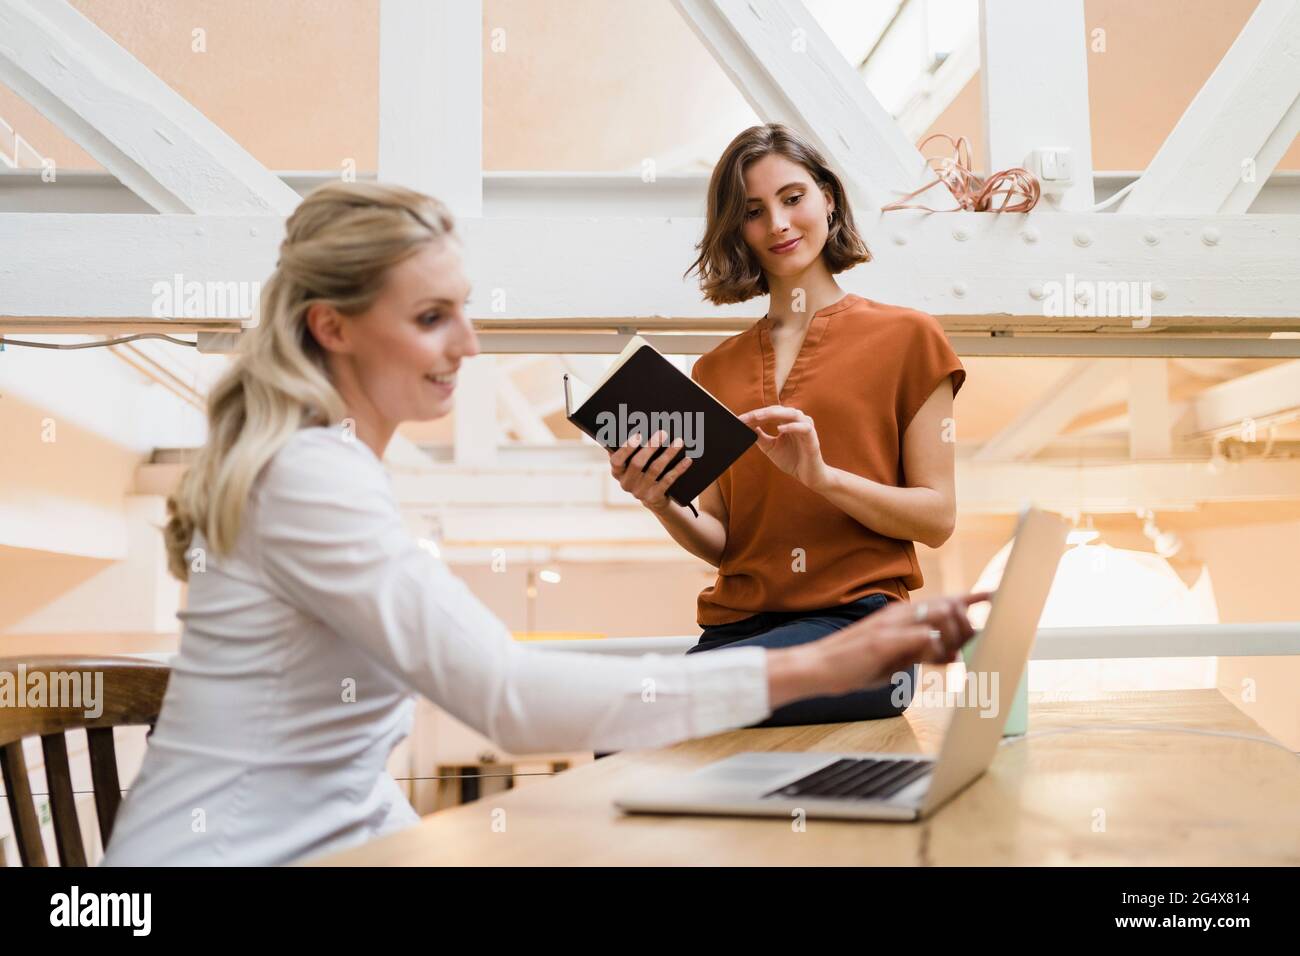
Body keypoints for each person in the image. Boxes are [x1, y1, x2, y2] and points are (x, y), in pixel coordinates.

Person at [101, 182, 986, 866]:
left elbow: (345, 780)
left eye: (464, 307)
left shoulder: (331, 469)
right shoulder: (308, 483)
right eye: (431, 317)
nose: (471, 344)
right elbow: (509, 700)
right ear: (330, 326)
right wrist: (824, 662)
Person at [609, 124, 967, 726]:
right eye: (753, 211)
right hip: (732, 635)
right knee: (626, 728)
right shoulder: (715, 368)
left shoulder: (910, 337)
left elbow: (937, 518)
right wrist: (662, 502)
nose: (777, 223)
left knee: (650, 710)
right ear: (738, 230)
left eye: (792, 198)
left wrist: (822, 477)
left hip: (861, 635)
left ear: (828, 197)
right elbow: (723, 542)